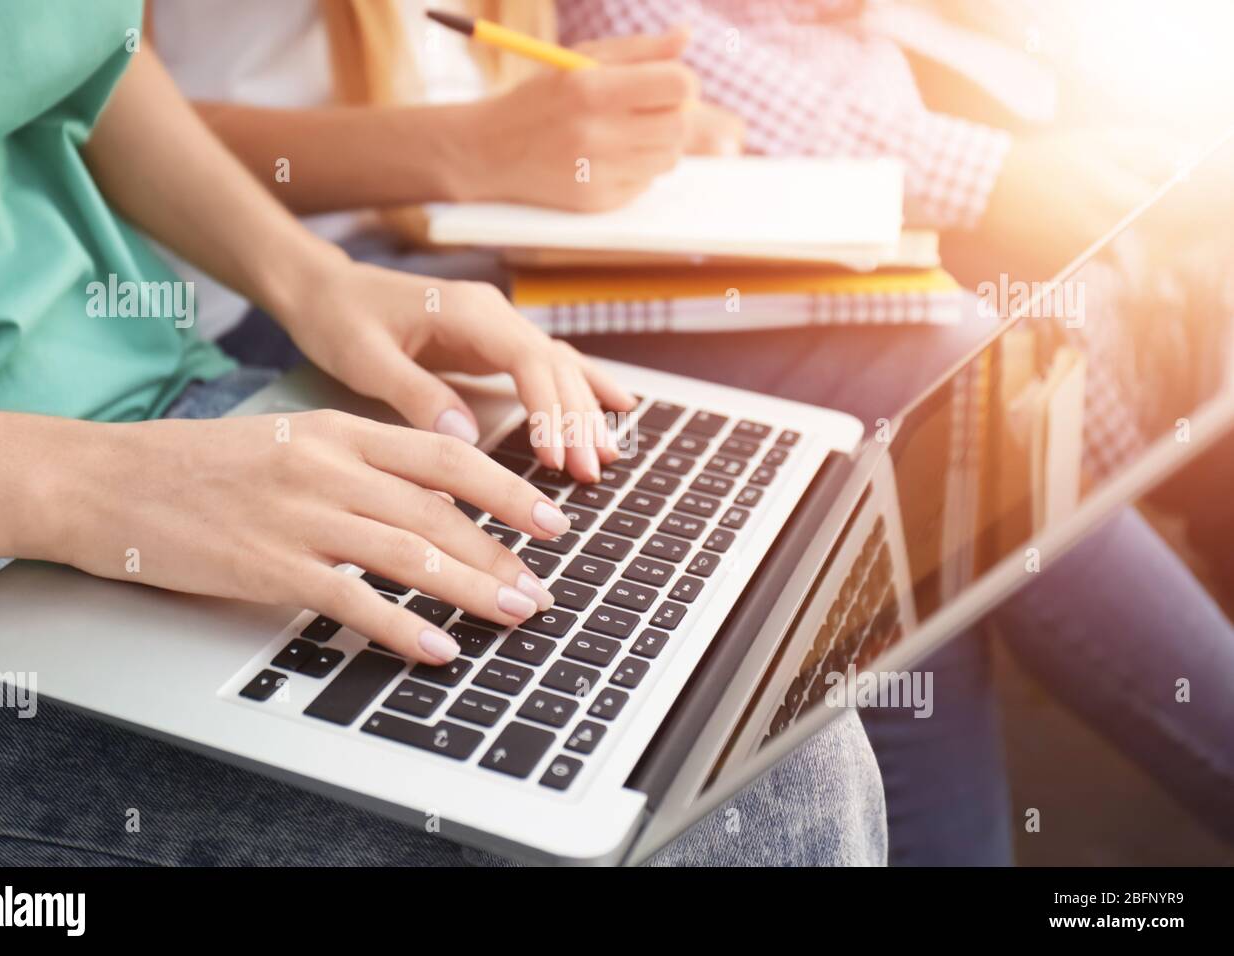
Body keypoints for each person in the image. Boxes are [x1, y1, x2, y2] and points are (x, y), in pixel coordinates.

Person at [148, 0, 1234, 861]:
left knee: (900, 480)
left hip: (488, 239)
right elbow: (106, 108)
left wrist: (619, 150)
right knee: (935, 370)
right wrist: (460, 149)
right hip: (294, 286)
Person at [0, 0, 886, 867]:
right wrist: (88, 486)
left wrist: (312, 278)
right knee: (719, 796)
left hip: (166, 397)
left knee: (758, 708)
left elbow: (71, 48)